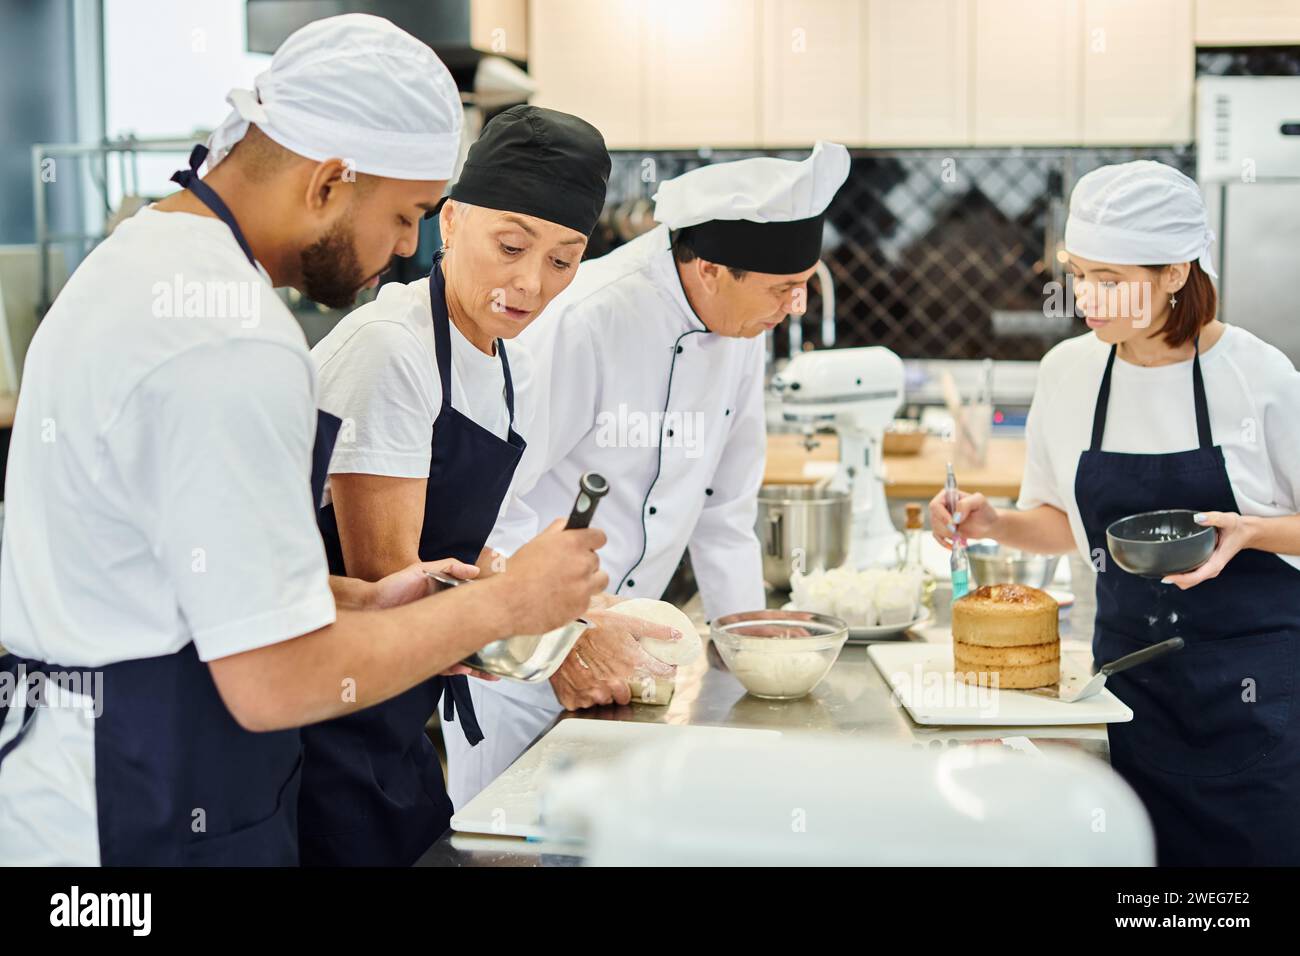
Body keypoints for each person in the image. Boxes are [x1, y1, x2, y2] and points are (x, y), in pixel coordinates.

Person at [0, 14, 604, 866]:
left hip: (100, 786)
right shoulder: (231, 336)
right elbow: (274, 677)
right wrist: (507, 605)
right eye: (406, 214)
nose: (405, 249)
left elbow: (173, 572)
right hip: (144, 809)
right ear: (327, 182)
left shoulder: (143, 262)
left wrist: (355, 599)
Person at [302, 104, 676, 866]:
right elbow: (392, 597)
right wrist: (552, 632)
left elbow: (456, 563)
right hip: (317, 730)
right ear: (451, 222)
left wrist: (574, 606)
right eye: (511, 245)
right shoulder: (392, 351)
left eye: (564, 259)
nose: (532, 283)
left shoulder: (506, 364)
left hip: (397, 723)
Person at [444, 142, 853, 808]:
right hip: (526, 665)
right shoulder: (587, 317)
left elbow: (724, 508)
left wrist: (745, 633)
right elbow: (489, 501)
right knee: (510, 842)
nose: (799, 305)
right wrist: (565, 633)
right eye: (784, 287)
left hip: (634, 675)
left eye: (804, 282)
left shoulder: (745, 327)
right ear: (711, 269)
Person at [930, 160, 1300, 866]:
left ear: (1174, 272)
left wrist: (1251, 532)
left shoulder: (1259, 378)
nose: (1083, 298)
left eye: (1109, 279)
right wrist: (995, 522)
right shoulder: (1069, 373)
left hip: (1252, 708)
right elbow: (1067, 524)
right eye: (1076, 272)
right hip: (1126, 699)